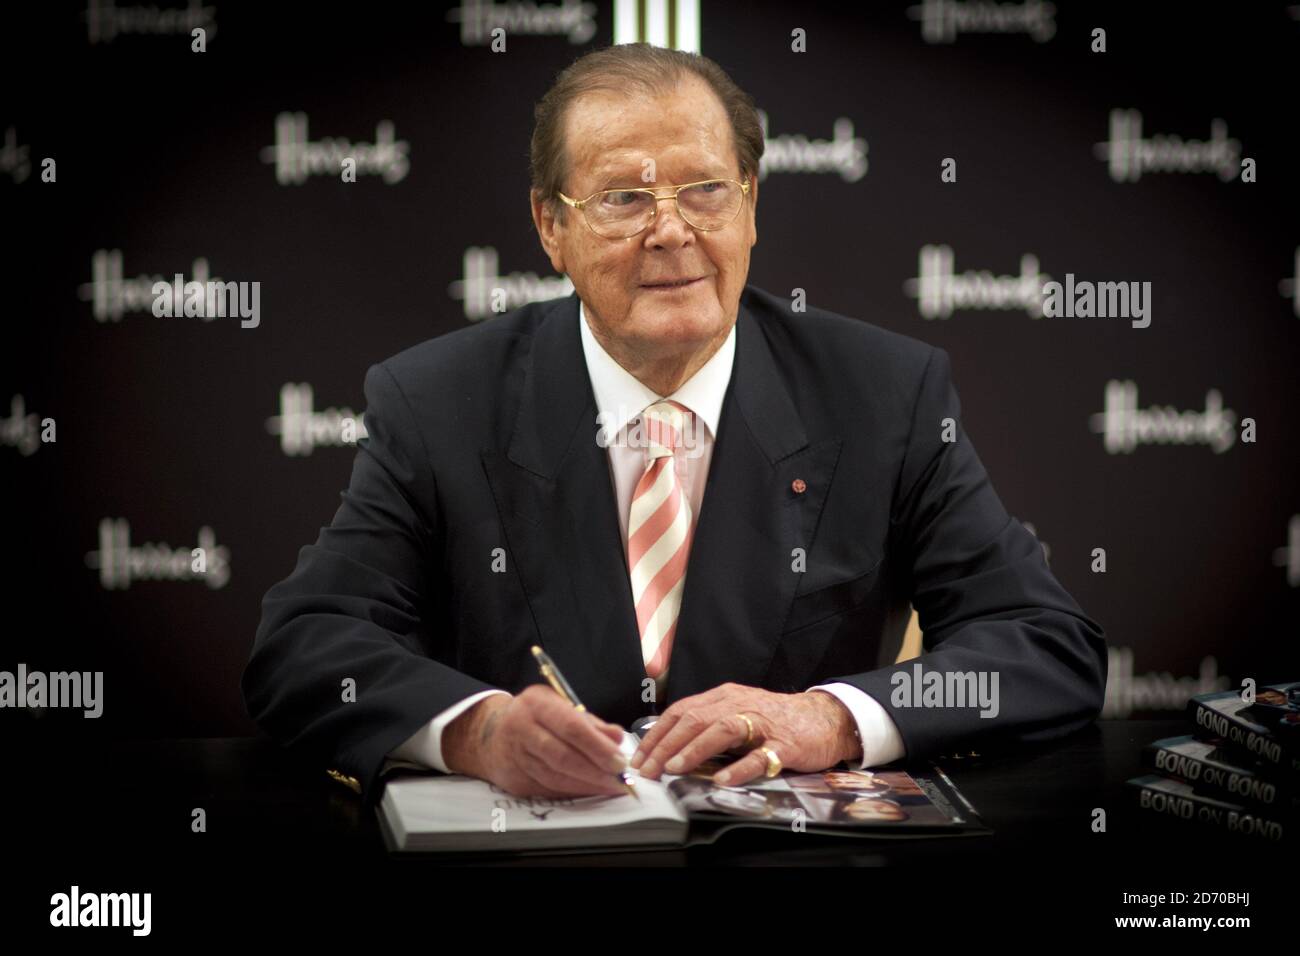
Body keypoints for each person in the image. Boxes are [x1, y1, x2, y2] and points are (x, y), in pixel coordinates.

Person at [241, 43, 1106, 805]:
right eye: (623, 198)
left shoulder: (884, 392)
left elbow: (1044, 645)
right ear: (551, 227)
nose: (671, 230)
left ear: (751, 206)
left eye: (704, 190)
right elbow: (307, 647)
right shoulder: (436, 400)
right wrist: (477, 732)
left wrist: (832, 718)